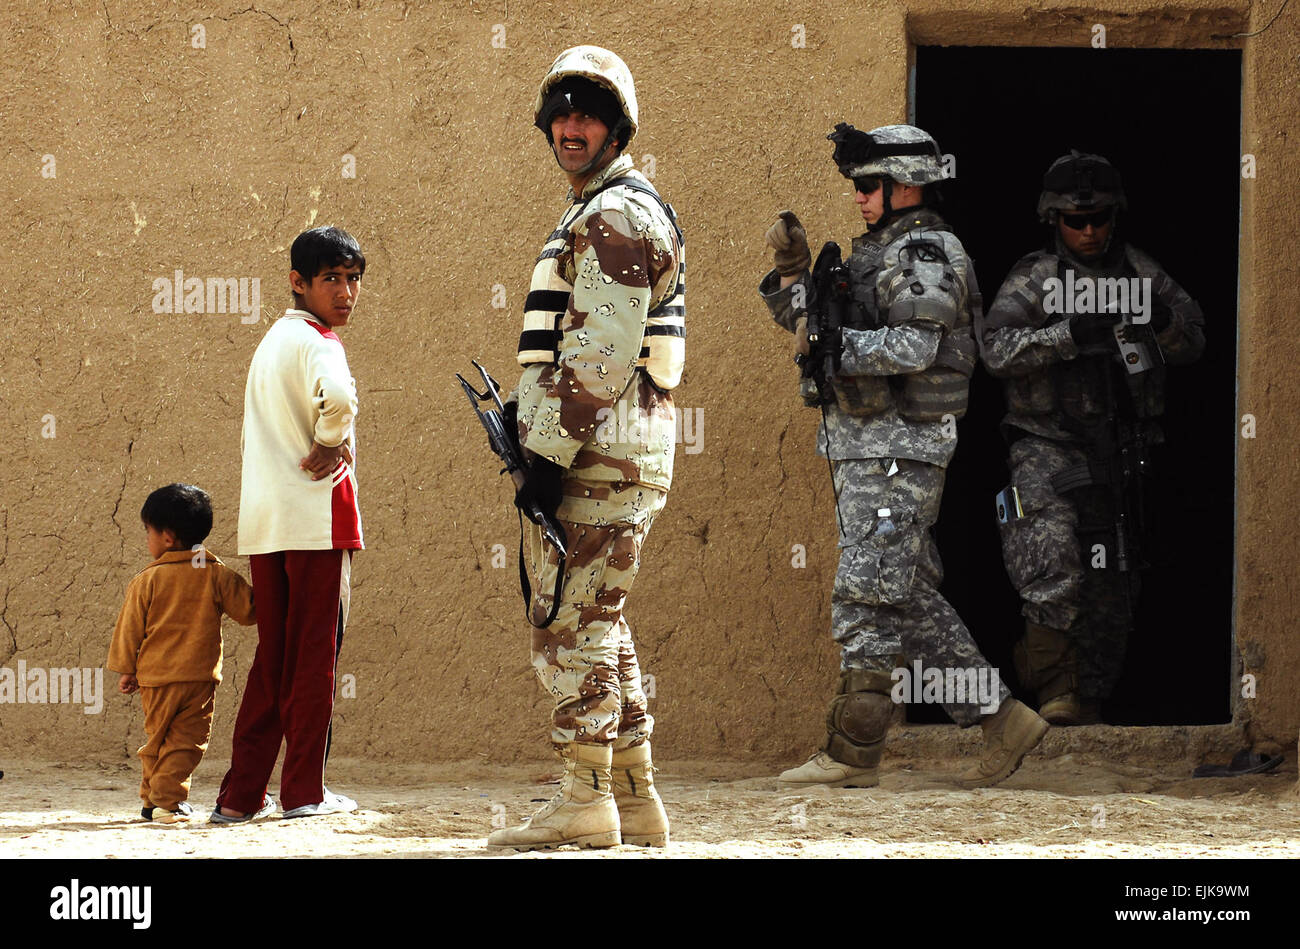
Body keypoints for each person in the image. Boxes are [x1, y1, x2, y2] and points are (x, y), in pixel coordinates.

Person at [760, 123, 1048, 789]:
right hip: (869, 441)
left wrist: (837, 349)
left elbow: (915, 347)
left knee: (866, 590)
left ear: (906, 185)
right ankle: (1001, 720)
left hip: (900, 444)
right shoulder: (879, 250)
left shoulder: (923, 250)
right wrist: (793, 275)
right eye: (856, 185)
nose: (857, 197)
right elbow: (816, 327)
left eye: (868, 185)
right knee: (903, 590)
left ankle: (852, 750)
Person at [487, 45, 684, 851]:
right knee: (603, 619)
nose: (572, 125)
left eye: (589, 113)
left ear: (616, 127)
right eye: (561, 112)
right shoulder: (608, 205)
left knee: (570, 627)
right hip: (611, 451)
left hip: (598, 454)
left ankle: (583, 797)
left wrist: (548, 455)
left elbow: (600, 353)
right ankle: (633, 801)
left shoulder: (614, 213)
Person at [978, 151, 1205, 724]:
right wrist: (1067, 335)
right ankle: (1053, 696)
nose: (1087, 230)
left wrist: (1159, 325)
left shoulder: (1138, 272)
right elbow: (994, 351)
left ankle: (1092, 704)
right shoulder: (1036, 277)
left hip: (1122, 450)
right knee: (1051, 557)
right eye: (1074, 221)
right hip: (1047, 445)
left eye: (1098, 218)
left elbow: (1196, 338)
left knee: (1113, 581)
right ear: (1053, 220)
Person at [210, 226, 365, 824]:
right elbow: (340, 401)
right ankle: (304, 792)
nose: (345, 293)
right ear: (298, 283)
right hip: (318, 521)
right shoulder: (321, 342)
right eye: (331, 279)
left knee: (273, 661)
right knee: (313, 661)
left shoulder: (273, 340)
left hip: (267, 526)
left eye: (353, 280)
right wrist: (331, 442)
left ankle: (239, 796)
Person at [108, 483, 256, 824]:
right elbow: (249, 611)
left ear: (168, 537)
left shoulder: (147, 579)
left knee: (157, 739)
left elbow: (129, 628)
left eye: (148, 531)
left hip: (155, 679)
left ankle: (152, 800)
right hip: (197, 679)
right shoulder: (215, 573)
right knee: (187, 742)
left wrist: (126, 669)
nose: (147, 539)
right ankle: (166, 802)